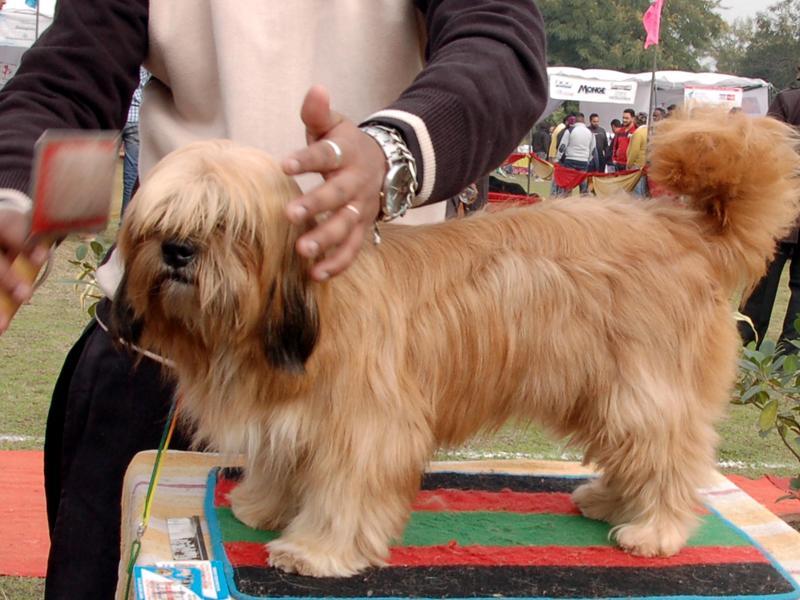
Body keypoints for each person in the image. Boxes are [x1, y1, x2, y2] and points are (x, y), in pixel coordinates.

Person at [0, 2, 548, 597]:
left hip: (354, 351)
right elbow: (71, 81)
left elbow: (501, 46)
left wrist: (393, 152)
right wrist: (16, 192)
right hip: (154, 369)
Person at [738, 85, 800, 353]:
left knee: (760, 285)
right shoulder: (788, 99)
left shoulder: (788, 100)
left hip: (778, 210)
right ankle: (789, 354)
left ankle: (746, 346)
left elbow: (767, 149)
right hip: (779, 210)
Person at [120, 67, 148, 216]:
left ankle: (89, 230)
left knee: (103, 170)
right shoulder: (147, 66)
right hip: (136, 120)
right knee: (131, 177)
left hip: (118, 117)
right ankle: (124, 222)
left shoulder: (121, 61)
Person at [557, 112, 595, 194]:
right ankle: (583, 204)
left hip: (570, 160)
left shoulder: (569, 131)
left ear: (575, 121)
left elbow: (562, 146)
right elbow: (593, 149)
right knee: (583, 186)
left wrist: (558, 159)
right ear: (584, 121)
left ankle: (567, 203)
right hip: (583, 161)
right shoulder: (590, 133)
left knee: (568, 185)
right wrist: (588, 160)